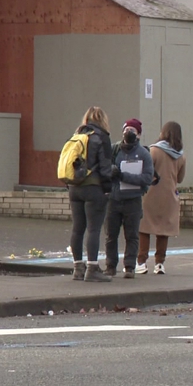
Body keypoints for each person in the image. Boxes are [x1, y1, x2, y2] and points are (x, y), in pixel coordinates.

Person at [68, 106, 117, 282]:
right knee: (94, 229)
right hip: (93, 188)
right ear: (103, 119)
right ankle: (93, 268)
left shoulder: (77, 135)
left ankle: (77, 268)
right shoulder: (102, 137)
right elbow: (105, 168)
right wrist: (107, 189)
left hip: (75, 188)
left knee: (77, 228)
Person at [103, 119, 153, 279]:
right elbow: (102, 169)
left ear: (138, 134)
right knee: (111, 235)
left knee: (132, 236)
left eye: (133, 130)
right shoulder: (114, 150)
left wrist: (123, 175)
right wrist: (109, 172)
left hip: (133, 200)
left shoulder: (144, 154)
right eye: (127, 129)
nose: (129, 133)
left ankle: (130, 267)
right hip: (113, 199)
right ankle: (110, 266)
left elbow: (147, 178)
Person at [138, 121, 186, 275]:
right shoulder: (181, 156)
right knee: (163, 230)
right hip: (169, 197)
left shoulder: (153, 151)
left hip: (150, 195)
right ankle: (159, 263)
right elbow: (180, 179)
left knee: (144, 228)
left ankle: (141, 261)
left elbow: (145, 172)